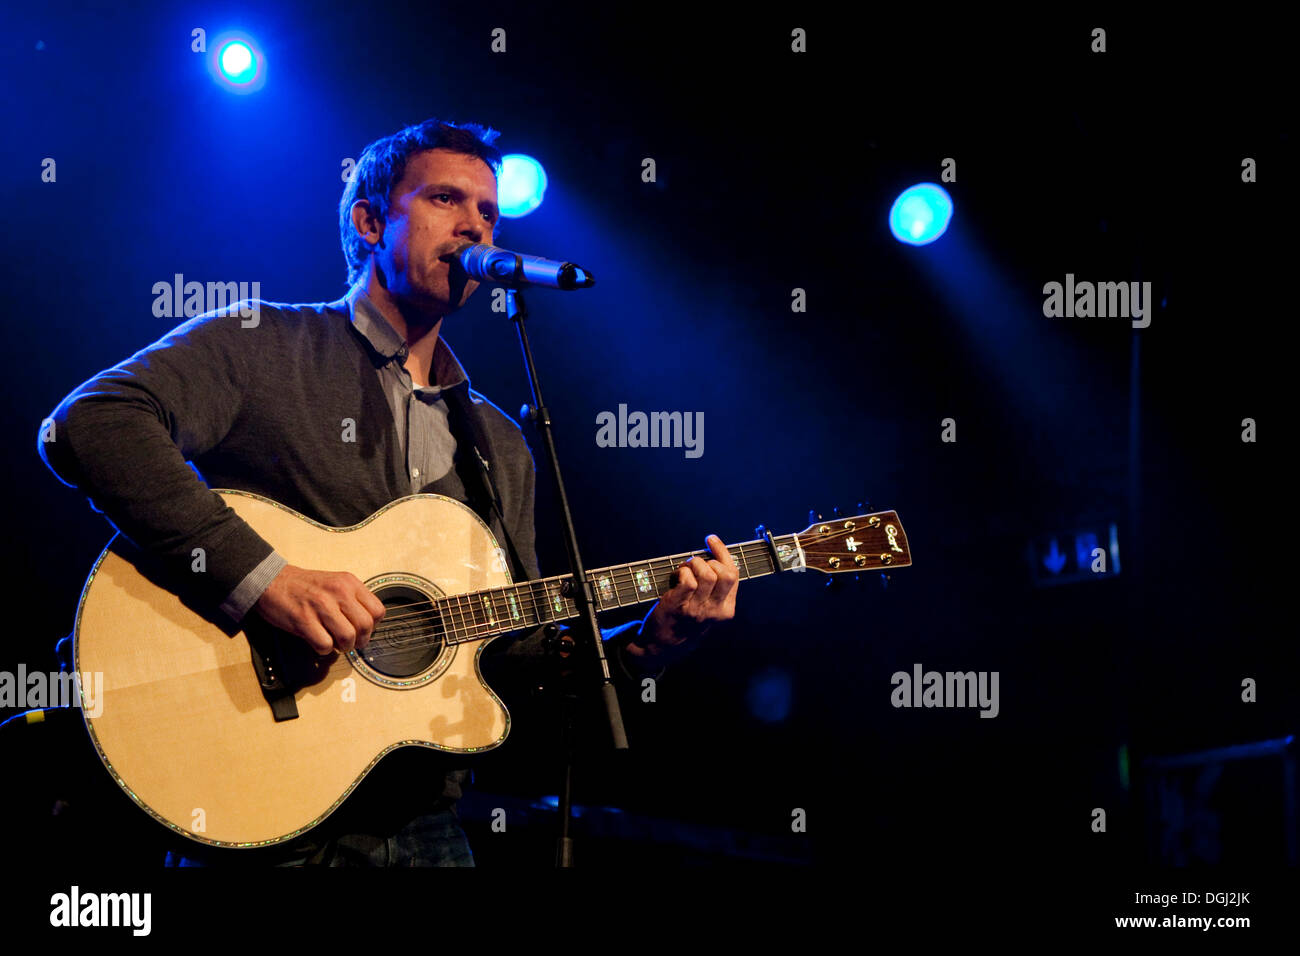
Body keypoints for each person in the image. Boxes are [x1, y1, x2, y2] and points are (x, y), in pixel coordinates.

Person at [38, 117, 739, 866]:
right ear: (370, 221)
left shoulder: (498, 444)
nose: (475, 224)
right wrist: (266, 581)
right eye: (445, 199)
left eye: (489, 212)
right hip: (258, 802)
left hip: (425, 827)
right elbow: (91, 423)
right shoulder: (261, 343)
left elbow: (512, 659)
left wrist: (645, 646)